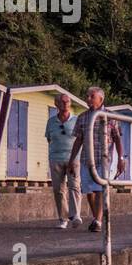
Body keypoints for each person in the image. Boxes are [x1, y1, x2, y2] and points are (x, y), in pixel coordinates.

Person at [67, 86, 126, 232]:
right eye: (87, 96)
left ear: (101, 99)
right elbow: (78, 140)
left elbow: (117, 139)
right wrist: (71, 160)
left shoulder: (111, 117)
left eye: (91, 96)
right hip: (87, 158)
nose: (88, 99)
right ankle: (97, 218)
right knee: (89, 191)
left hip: (104, 158)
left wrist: (121, 158)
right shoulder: (82, 117)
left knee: (100, 189)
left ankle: (98, 221)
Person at [45, 92, 82, 228]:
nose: (66, 104)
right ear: (56, 104)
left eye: (68, 102)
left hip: (73, 158)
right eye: (63, 102)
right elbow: (49, 139)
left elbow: (80, 139)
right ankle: (63, 218)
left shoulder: (76, 120)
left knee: (74, 186)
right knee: (58, 189)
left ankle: (76, 214)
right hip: (55, 158)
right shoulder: (51, 122)